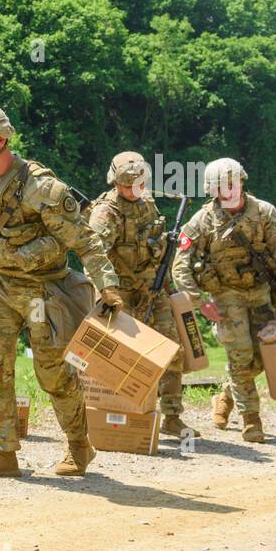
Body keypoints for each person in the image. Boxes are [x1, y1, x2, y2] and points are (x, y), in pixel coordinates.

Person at [0, 105, 122, 477]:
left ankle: (78, 447)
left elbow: (85, 240)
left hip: (42, 292)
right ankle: (3, 454)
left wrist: (108, 288)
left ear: (1, 138)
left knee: (53, 374)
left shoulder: (41, 188)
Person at [172, 157, 276, 443]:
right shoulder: (203, 220)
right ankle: (251, 420)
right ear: (212, 190)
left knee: (264, 356)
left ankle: (225, 396)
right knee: (240, 356)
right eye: (220, 186)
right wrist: (200, 301)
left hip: (261, 293)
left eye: (232, 184)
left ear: (242, 181)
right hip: (226, 295)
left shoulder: (265, 213)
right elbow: (180, 264)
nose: (228, 191)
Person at [88, 152, 198, 438]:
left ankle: (172, 416)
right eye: (127, 186)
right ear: (115, 183)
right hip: (119, 293)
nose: (134, 190)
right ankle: (110, 416)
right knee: (118, 357)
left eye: (139, 184)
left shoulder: (148, 203)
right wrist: (104, 293)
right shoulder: (105, 213)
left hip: (152, 288)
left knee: (172, 350)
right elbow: (94, 257)